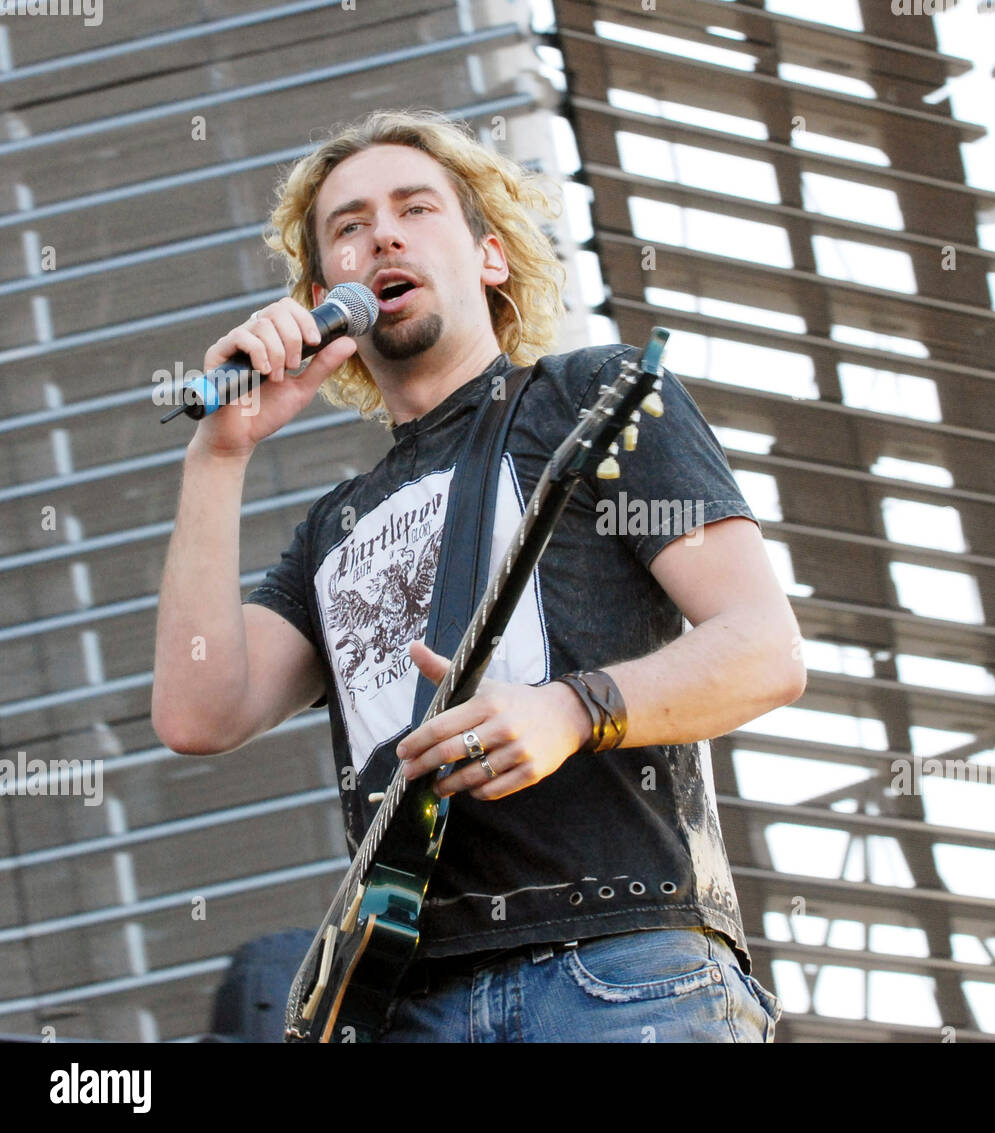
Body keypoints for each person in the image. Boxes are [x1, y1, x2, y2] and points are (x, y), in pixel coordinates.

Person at [151, 109, 805, 1043]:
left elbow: (765, 648)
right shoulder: (331, 529)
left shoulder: (593, 395)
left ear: (490, 257)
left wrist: (569, 711)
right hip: (411, 1003)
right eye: (348, 226)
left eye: (415, 209)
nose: (382, 232)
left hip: (621, 971)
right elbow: (197, 711)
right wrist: (219, 457)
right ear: (321, 295)